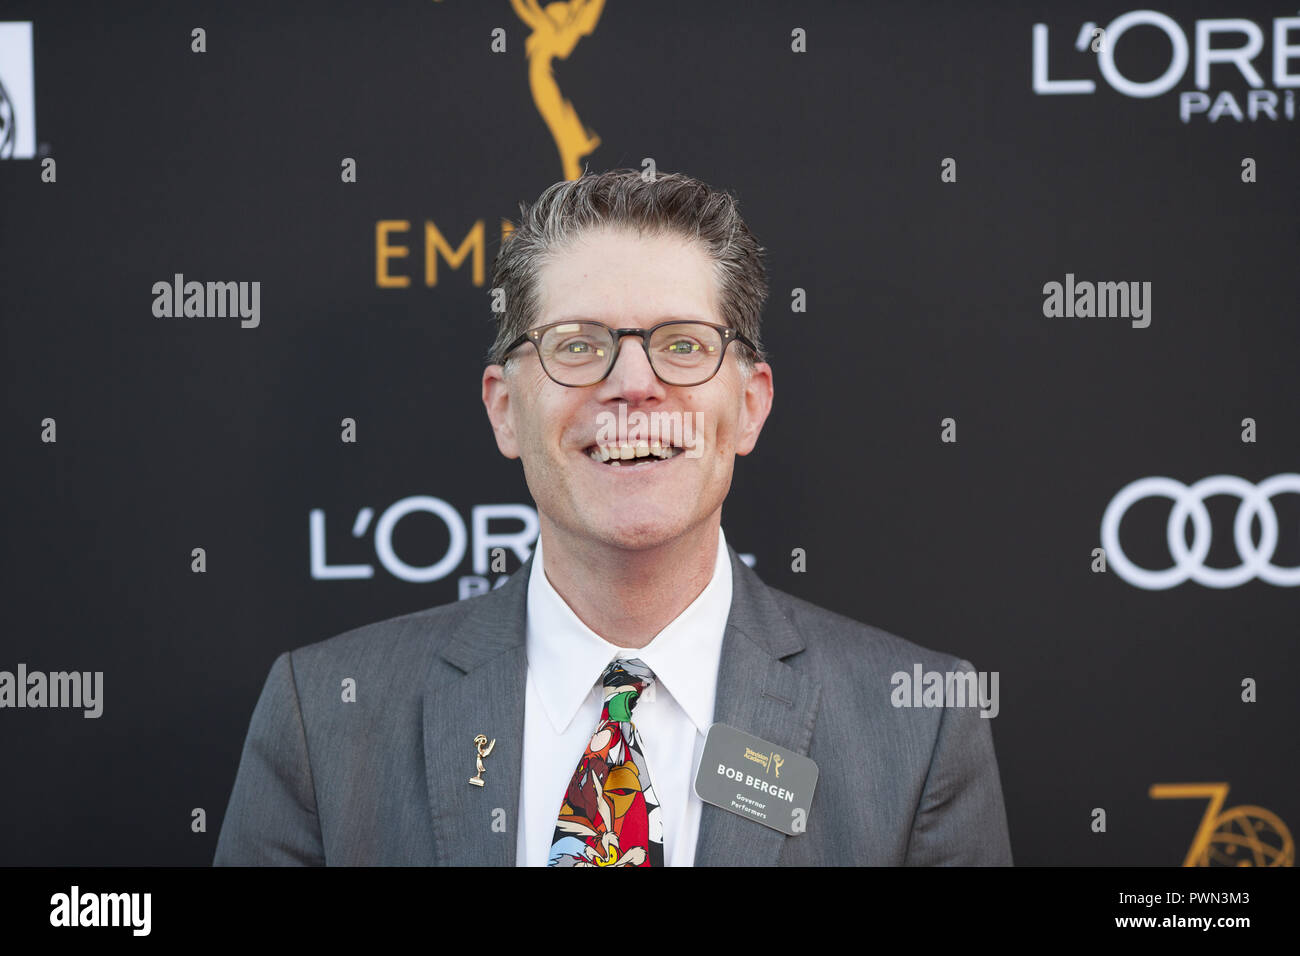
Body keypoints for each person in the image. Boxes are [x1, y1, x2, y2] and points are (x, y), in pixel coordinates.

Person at [213, 169, 1013, 866]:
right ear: (504, 409)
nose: (633, 383)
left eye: (684, 345)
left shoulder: (919, 726)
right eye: (577, 344)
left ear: (749, 406)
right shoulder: (323, 720)